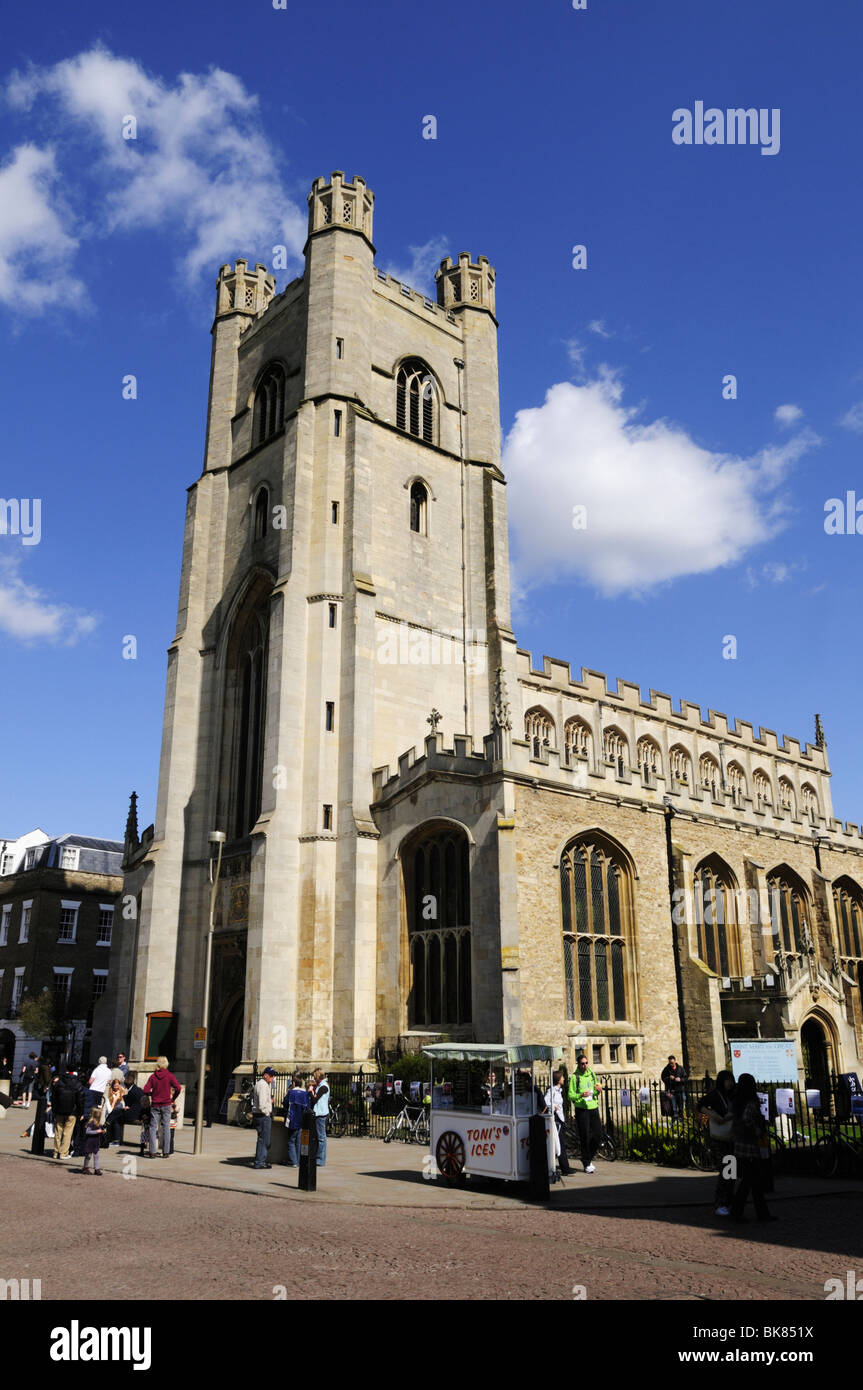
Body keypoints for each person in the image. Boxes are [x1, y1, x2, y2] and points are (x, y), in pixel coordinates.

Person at [729, 1073, 777, 1223]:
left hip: (741, 1146)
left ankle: (761, 1214)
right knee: (749, 1182)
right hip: (749, 1147)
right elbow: (747, 1120)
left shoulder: (738, 1101)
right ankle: (738, 1213)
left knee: (754, 1183)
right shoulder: (750, 1102)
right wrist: (756, 1129)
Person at [698, 1069, 735, 1215]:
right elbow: (700, 1105)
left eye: (731, 1079)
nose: (730, 1083)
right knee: (726, 1169)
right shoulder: (715, 1095)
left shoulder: (734, 1095)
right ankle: (721, 1202)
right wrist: (713, 1115)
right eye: (727, 1080)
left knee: (731, 1171)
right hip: (720, 1138)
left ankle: (728, 1201)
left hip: (732, 1136)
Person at [568, 1053, 602, 1173]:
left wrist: (598, 1091)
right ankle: (587, 1162)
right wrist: (581, 1095)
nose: (585, 1065)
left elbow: (596, 1090)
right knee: (584, 1137)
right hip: (581, 1109)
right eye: (582, 1063)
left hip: (593, 1107)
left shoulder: (591, 1074)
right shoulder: (574, 1077)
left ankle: (588, 1158)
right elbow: (570, 1095)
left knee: (598, 1135)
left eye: (586, 1063)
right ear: (578, 1064)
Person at [143, 1056, 182, 1158]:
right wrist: (173, 1098)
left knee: (153, 1128)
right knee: (166, 1128)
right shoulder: (170, 1076)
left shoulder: (153, 1076)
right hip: (166, 1104)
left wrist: (152, 1094)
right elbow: (178, 1088)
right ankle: (166, 1152)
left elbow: (146, 1090)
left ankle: (152, 1152)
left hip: (155, 1105)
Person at [51, 1066, 84, 1160]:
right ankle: (63, 1153)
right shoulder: (77, 1083)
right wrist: (80, 1112)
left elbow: (54, 1097)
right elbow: (80, 1099)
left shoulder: (59, 1082)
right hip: (72, 1111)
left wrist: (54, 1109)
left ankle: (55, 1152)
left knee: (58, 1132)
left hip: (59, 1111)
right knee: (67, 1133)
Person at [545, 1070, 571, 1177]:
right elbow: (546, 1101)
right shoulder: (552, 1090)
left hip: (560, 1119)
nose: (564, 1078)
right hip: (556, 1120)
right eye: (562, 1077)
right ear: (558, 1079)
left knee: (560, 1144)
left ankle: (565, 1168)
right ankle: (565, 1168)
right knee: (559, 1144)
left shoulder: (558, 1090)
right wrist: (553, 1106)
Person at [251, 1067, 276, 1169]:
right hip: (262, 1116)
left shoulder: (262, 1084)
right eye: (271, 1075)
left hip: (260, 1115)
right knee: (264, 1140)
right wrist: (267, 1113)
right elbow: (261, 1104)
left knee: (263, 1139)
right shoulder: (263, 1085)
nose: (273, 1078)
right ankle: (260, 1162)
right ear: (265, 1075)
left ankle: (260, 1160)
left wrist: (269, 1102)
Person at [284, 1073, 310, 1166]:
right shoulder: (305, 1093)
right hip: (302, 1121)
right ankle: (298, 1161)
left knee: (291, 1141)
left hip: (292, 1120)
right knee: (299, 1141)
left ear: (294, 1083)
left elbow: (285, 1104)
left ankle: (293, 1161)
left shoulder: (291, 1093)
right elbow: (308, 1108)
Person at [77, 1106, 106, 1176]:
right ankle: (85, 1168)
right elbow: (88, 1132)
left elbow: (100, 1130)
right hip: (89, 1142)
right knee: (88, 1156)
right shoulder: (91, 1123)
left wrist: (102, 1131)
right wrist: (97, 1131)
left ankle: (97, 1169)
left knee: (96, 1156)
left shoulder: (99, 1124)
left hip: (96, 1142)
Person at [311, 1067, 330, 1167]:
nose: (314, 1079)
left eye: (315, 1077)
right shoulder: (320, 1086)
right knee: (317, 1137)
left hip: (321, 1115)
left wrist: (310, 1092)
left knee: (321, 1137)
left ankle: (320, 1159)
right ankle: (317, 1157)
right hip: (317, 1114)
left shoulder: (324, 1087)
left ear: (319, 1076)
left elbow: (315, 1099)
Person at [661, 1055, 687, 1120]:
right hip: (671, 1090)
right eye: (670, 1063)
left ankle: (681, 1120)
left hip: (679, 1090)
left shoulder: (680, 1068)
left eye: (672, 1063)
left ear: (675, 1061)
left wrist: (680, 1079)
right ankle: (674, 1120)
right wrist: (669, 1078)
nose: (671, 1064)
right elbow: (663, 1078)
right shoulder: (666, 1069)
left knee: (681, 1107)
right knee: (673, 1107)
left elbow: (686, 1078)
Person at [104, 1078, 128, 1147]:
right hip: (112, 1112)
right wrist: (115, 1099)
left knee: (115, 1118)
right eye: (115, 1087)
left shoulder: (122, 1092)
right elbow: (110, 1109)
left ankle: (115, 1141)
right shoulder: (110, 1093)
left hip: (121, 1112)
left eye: (118, 1086)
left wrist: (119, 1096)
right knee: (115, 1119)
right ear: (112, 1086)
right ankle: (115, 1141)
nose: (116, 1088)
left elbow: (123, 1105)